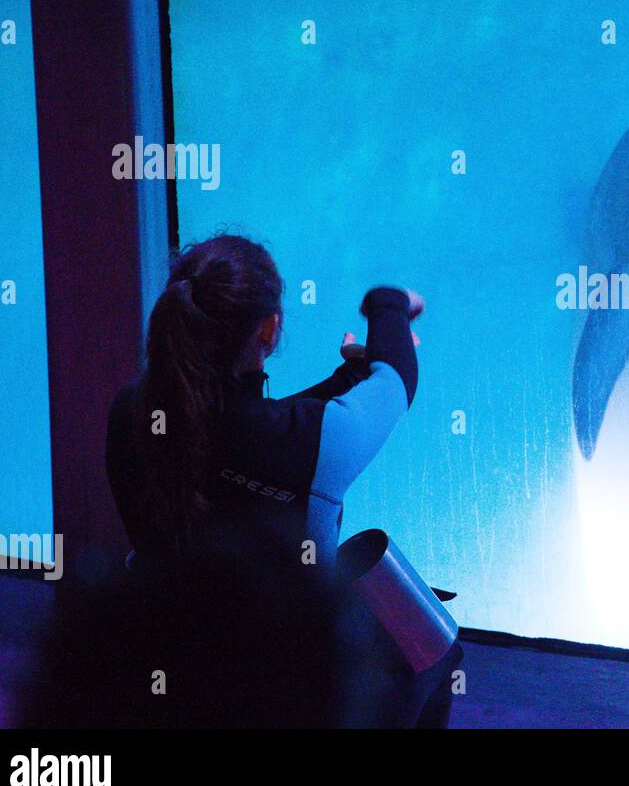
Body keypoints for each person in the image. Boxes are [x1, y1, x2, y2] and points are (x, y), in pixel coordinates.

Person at [53, 233, 461, 727]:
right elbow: (396, 380)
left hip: (162, 650)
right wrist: (390, 303)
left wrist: (340, 386)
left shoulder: (134, 407)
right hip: (283, 687)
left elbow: (239, 433)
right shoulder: (318, 442)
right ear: (269, 330)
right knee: (436, 645)